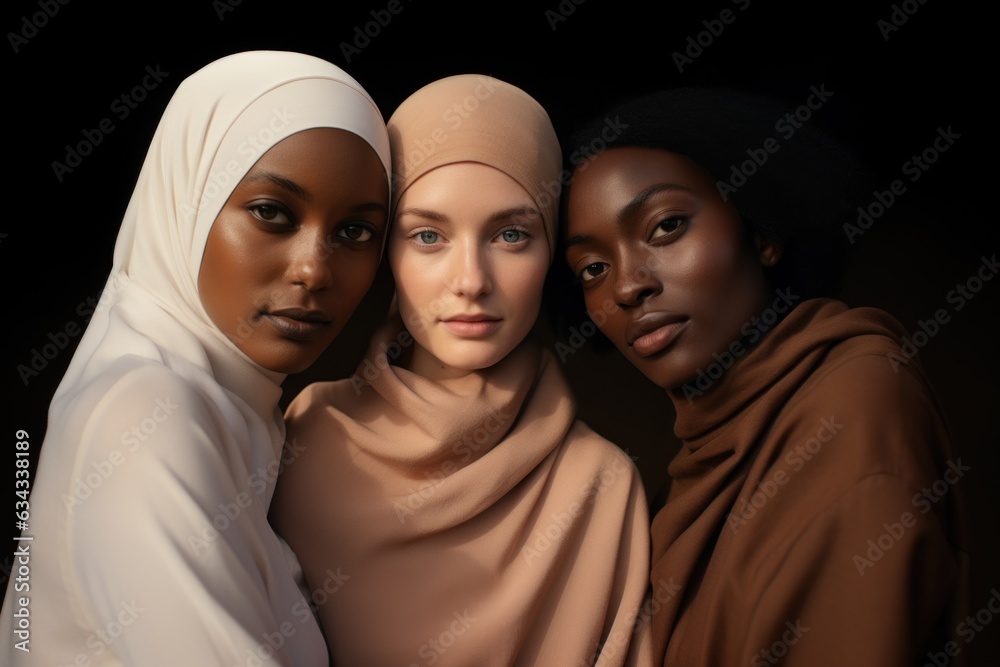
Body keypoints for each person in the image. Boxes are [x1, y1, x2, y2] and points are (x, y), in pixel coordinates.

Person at [0, 50, 392, 666]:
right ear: (185, 205)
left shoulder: (242, 421)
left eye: (355, 232)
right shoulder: (145, 413)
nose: (315, 270)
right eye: (272, 213)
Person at [559, 87, 970, 666]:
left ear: (762, 232)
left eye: (666, 226)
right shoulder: (687, 478)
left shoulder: (855, 399)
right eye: (593, 268)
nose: (627, 286)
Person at [269, 74, 651, 666]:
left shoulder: (601, 484)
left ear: (552, 249)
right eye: (427, 235)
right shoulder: (304, 436)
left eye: (512, 234)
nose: (471, 280)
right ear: (384, 251)